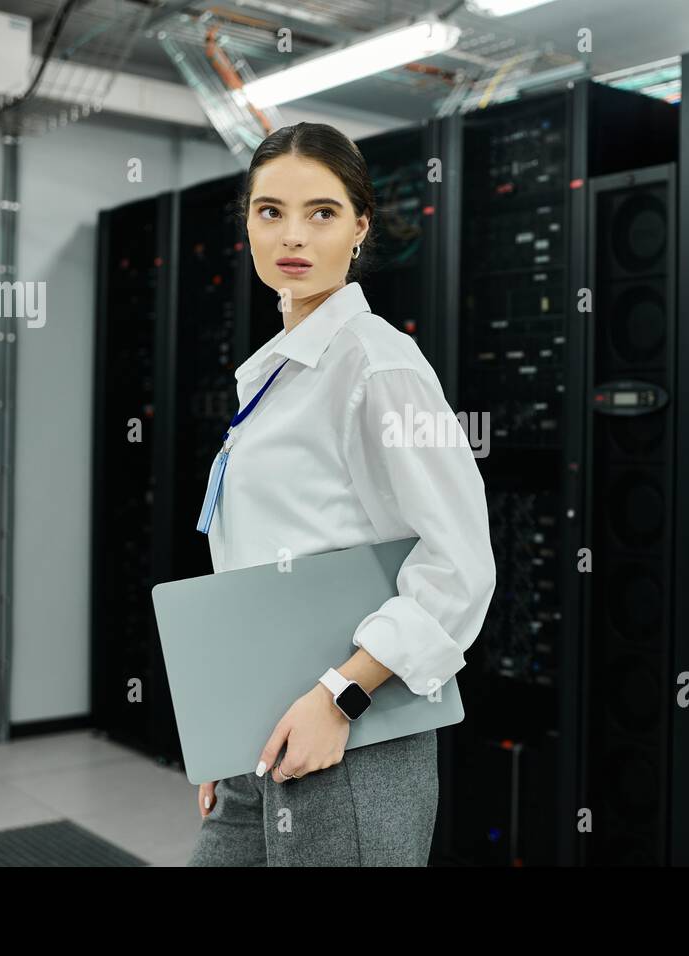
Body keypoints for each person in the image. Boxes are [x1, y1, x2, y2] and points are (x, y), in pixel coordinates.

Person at [185, 122, 496, 866]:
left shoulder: (377, 366)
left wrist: (340, 697)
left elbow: (459, 565)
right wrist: (220, 728)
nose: (293, 235)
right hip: (261, 735)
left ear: (360, 226)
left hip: (349, 737)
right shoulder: (282, 371)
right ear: (249, 224)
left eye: (321, 212)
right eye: (270, 211)